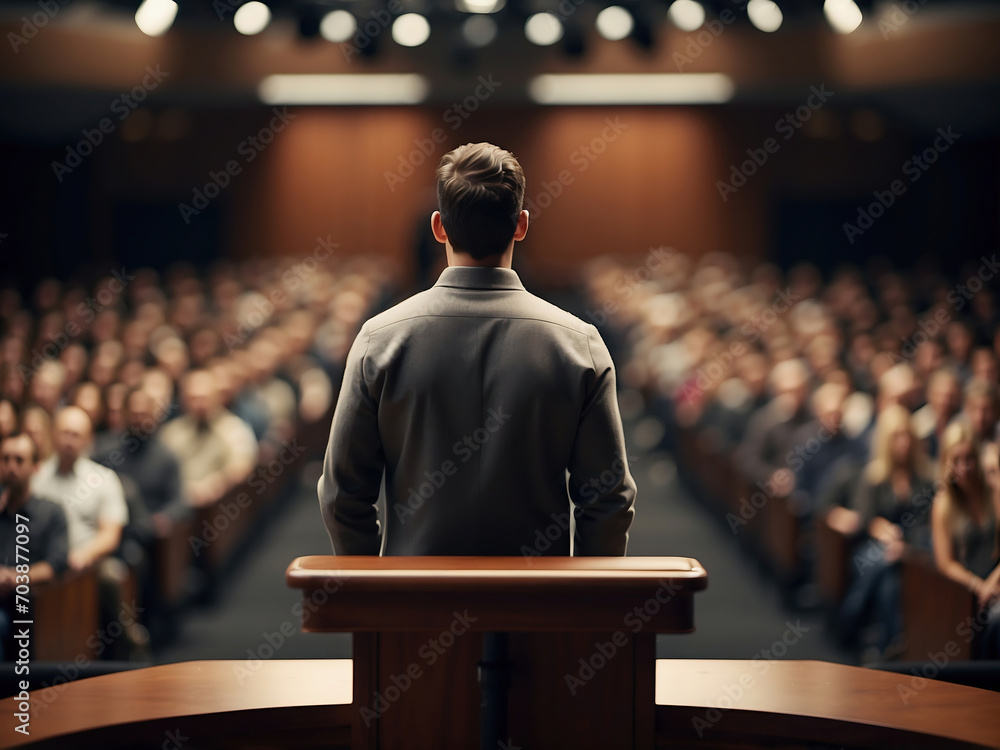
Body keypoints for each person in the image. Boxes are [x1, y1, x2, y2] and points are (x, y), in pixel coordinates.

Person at [318, 142, 636, 556]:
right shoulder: (580, 344)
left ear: (439, 228)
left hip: (415, 607)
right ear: (521, 224)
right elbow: (608, 501)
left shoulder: (379, 340)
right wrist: (578, 608)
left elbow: (342, 496)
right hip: (538, 606)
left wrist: (377, 593)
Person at [838, 404, 934, 660]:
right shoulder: (873, 475)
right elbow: (865, 517)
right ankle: (890, 645)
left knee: (883, 565)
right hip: (875, 546)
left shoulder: (925, 476)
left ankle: (852, 614)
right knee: (886, 573)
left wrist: (906, 547)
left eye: (906, 436)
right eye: (896, 437)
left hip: (913, 548)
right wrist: (881, 529)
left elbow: (925, 522)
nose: (902, 443)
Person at [931, 422, 1000, 658]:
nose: (964, 467)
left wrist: (992, 582)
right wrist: (978, 585)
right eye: (956, 460)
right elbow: (945, 563)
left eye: (969, 458)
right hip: (966, 589)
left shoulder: (994, 492)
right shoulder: (943, 504)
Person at [0, 433, 69, 660]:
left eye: (19, 460)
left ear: (36, 467)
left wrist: (14, 577)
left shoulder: (51, 512)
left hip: (32, 599)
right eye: (5, 459)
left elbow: (55, 565)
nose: (11, 467)